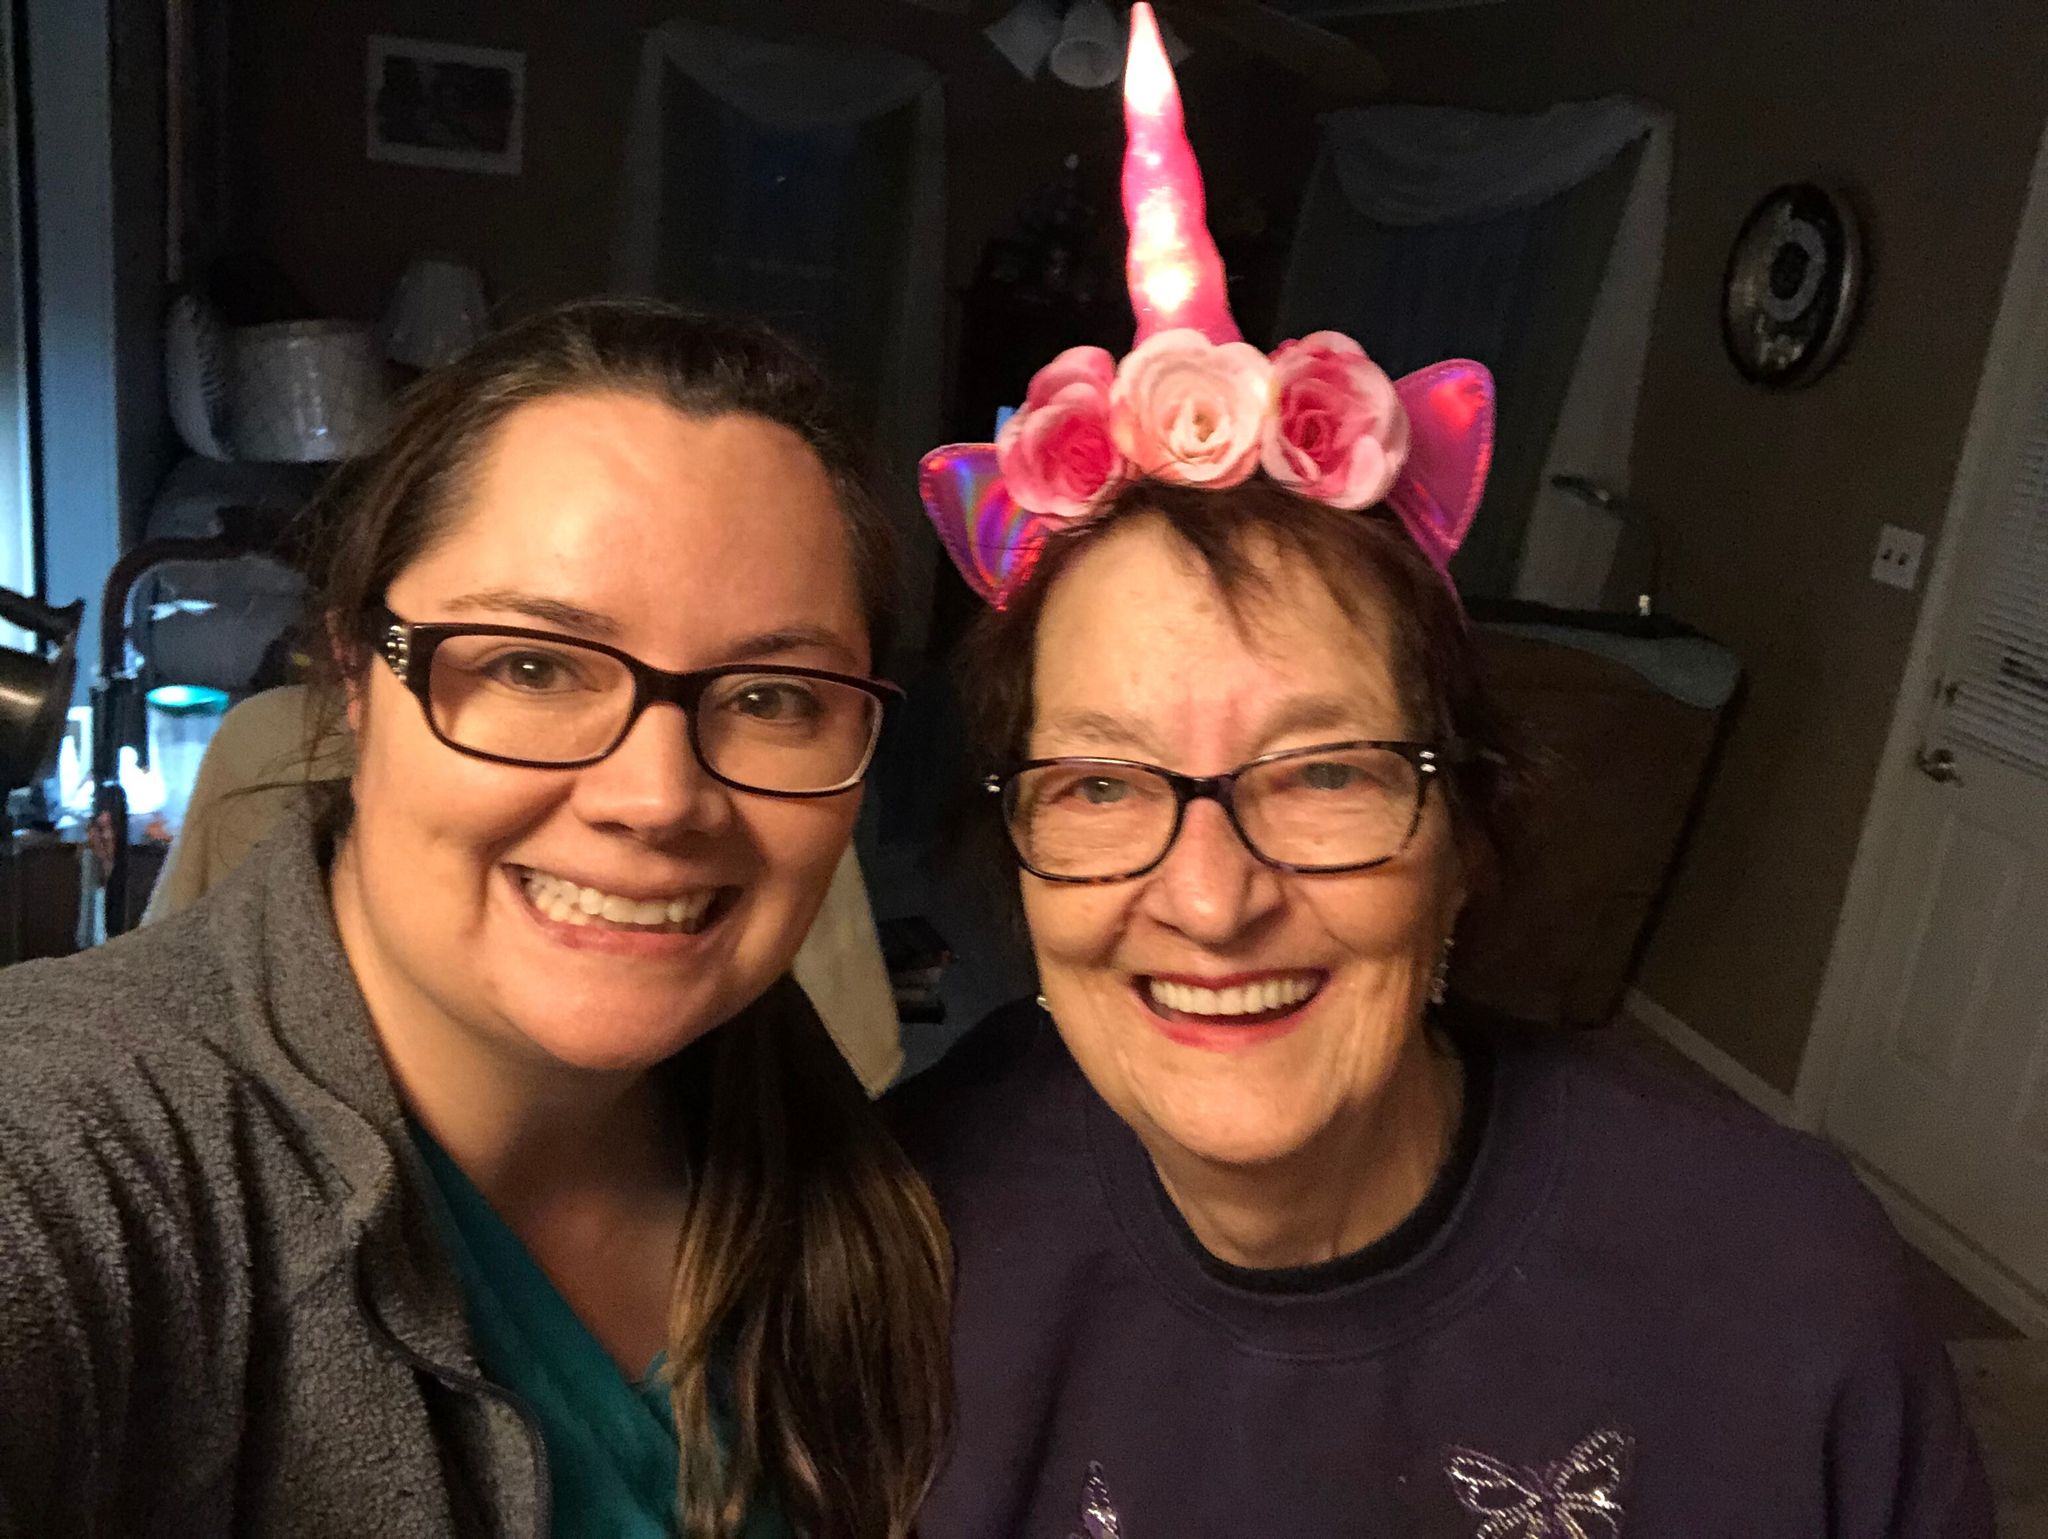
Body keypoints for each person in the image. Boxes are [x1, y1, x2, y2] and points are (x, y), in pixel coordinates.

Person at [889, 9, 1992, 1536]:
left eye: (1323, 774)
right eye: (1101, 785)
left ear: (1467, 825)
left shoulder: (1783, 1287)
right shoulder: (899, 1235)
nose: (1209, 899)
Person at [0, 300, 949, 1539]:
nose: (658, 797)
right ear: (355, 676)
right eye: (531, 667)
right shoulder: (89, 1145)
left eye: (772, 697)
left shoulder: (863, 1187)